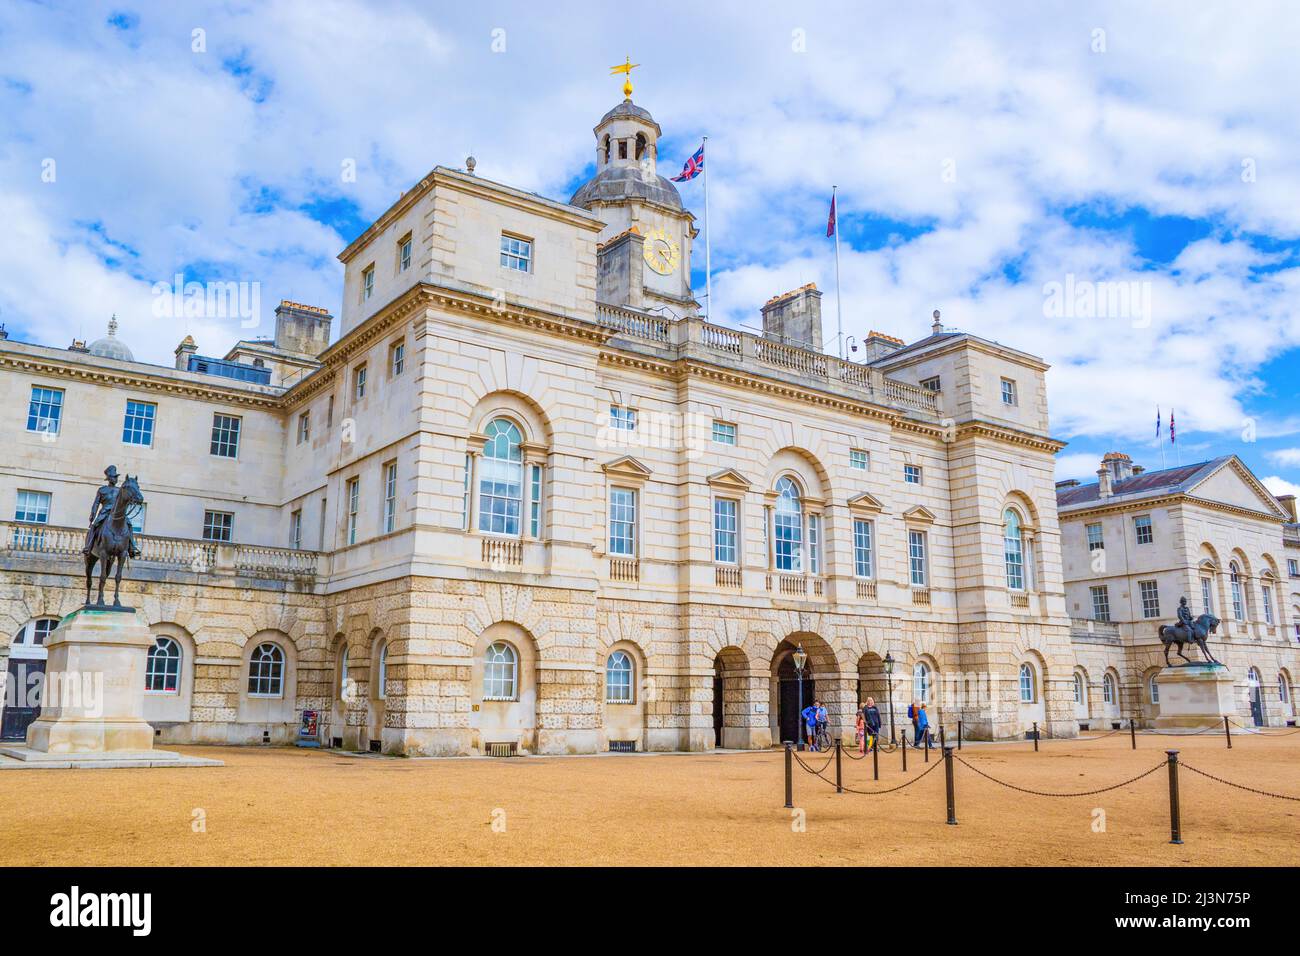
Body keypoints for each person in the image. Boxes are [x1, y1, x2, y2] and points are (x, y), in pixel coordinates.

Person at [83, 464, 140, 558]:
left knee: (129, 525)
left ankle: (132, 547)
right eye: (113, 477)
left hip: (117, 514)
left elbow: (124, 501)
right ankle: (88, 546)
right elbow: (96, 504)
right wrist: (92, 514)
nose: (115, 479)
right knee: (94, 526)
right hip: (105, 513)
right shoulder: (102, 490)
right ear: (109, 478)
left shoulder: (120, 490)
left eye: (116, 477)